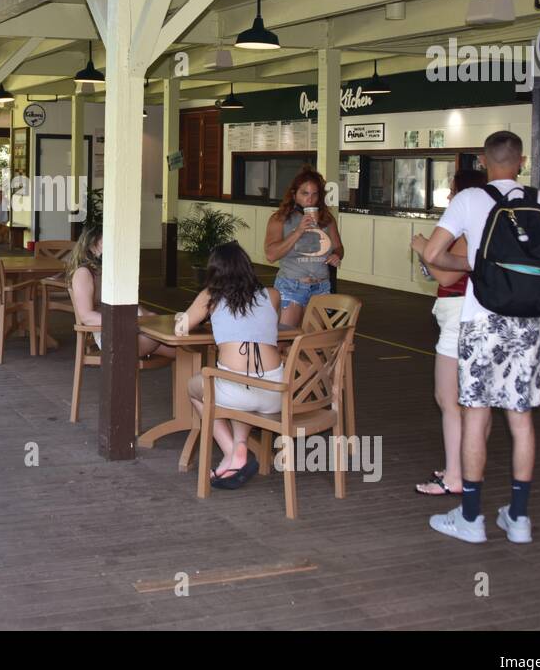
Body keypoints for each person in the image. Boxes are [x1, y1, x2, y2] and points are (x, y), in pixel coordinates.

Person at [421, 131, 540, 544]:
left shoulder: (469, 200)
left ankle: (471, 519)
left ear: (484, 161)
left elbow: (432, 254)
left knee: (476, 415)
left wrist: (478, 265)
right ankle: (518, 519)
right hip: (529, 325)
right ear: (521, 162)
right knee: (520, 420)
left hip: (482, 322)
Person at [180, 242, 282, 490]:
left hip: (236, 392)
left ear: (214, 271)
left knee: (197, 388)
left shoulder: (210, 297)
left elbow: (181, 328)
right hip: (276, 392)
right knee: (237, 384)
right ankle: (240, 448)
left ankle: (233, 452)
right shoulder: (272, 295)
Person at [410, 168, 487, 497]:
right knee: (477, 402)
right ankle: (469, 467)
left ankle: (456, 475)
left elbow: (445, 277)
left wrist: (423, 246)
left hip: (458, 317)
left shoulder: (465, 231)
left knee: (449, 399)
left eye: (454, 191)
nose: (450, 197)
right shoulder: (488, 226)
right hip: (479, 315)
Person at [66, 225, 175, 363]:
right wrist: (127, 323)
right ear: (92, 247)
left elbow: (128, 304)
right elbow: (86, 316)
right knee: (168, 336)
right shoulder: (83, 274)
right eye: (108, 243)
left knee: (182, 349)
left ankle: (192, 383)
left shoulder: (108, 270)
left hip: (132, 328)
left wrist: (149, 316)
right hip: (112, 334)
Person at [264, 169, 344, 329]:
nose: (310, 199)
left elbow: (339, 247)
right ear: (294, 195)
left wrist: (337, 255)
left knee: (311, 344)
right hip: (291, 285)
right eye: (305, 193)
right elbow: (271, 255)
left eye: (314, 194)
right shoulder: (280, 219)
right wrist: (298, 231)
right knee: (284, 340)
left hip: (321, 287)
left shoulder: (327, 220)